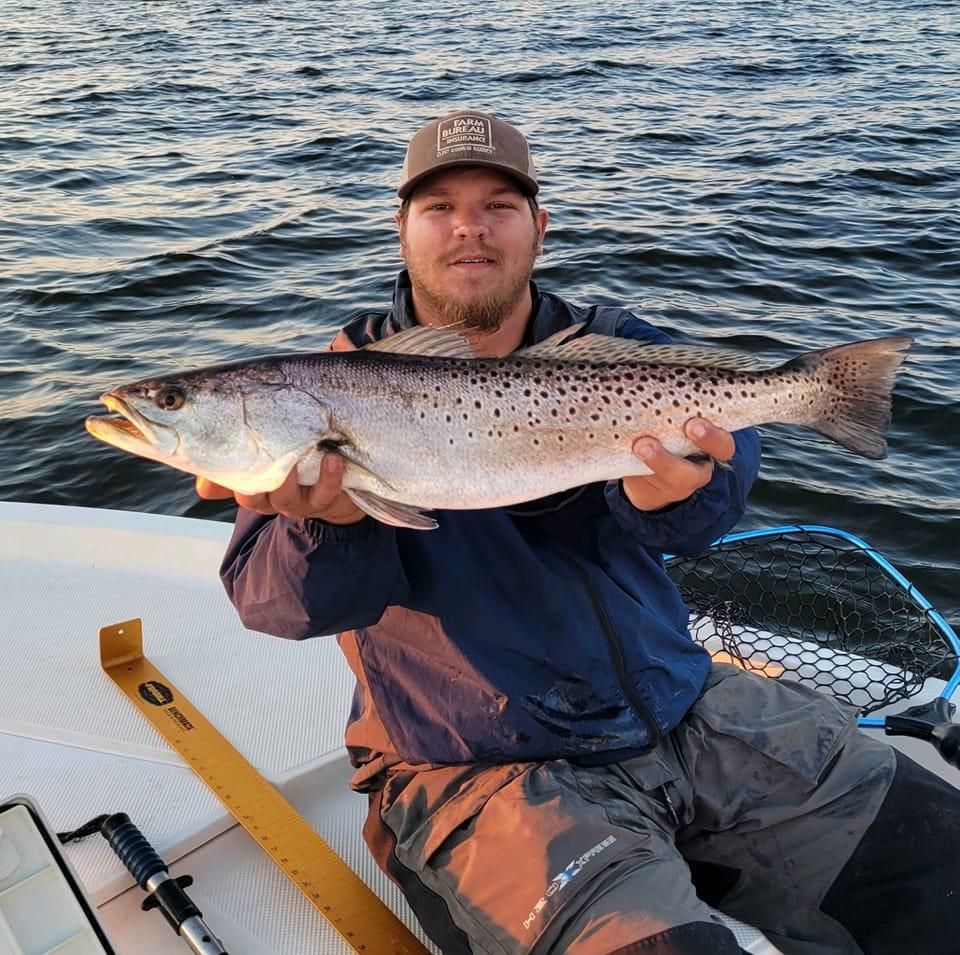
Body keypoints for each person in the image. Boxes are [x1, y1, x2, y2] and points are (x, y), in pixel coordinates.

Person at [200, 110, 959, 954]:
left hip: (687, 704)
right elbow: (276, 604)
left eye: (499, 204)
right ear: (402, 228)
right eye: (438, 206)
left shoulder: (613, 346)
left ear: (539, 225)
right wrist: (327, 528)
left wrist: (681, 494)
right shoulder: (324, 386)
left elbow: (720, 475)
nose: (468, 227)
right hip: (479, 766)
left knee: (944, 861)